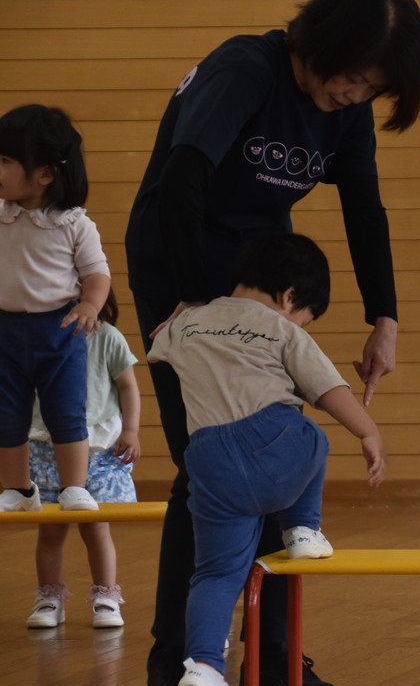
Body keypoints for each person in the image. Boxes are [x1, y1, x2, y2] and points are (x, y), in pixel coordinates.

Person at [123, 0, 420, 686]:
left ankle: (276, 656)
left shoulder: (344, 112)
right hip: (181, 273)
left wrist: (384, 314)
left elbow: (363, 207)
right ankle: (179, 660)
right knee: (214, 465)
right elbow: (180, 182)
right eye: (353, 76)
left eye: (370, 88)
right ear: (323, 37)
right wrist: (200, 309)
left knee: (275, 467)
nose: (354, 94)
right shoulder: (246, 68)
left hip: (259, 286)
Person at [148, 233, 387, 686]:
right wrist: (368, 431)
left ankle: (201, 668)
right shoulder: (282, 329)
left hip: (207, 459)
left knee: (215, 572)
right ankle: (301, 528)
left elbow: (156, 347)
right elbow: (326, 390)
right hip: (270, 442)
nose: (304, 325)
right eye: (307, 317)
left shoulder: (188, 323)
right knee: (312, 436)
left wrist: (179, 323)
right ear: (290, 296)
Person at [0, 104, 110, 516]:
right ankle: (18, 488)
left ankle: (73, 487)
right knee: (6, 416)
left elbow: (97, 274)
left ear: (45, 174)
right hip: (6, 329)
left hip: (60, 330)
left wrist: (90, 304)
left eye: (6, 161)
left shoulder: (73, 224)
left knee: (65, 413)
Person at [26, 289, 141, 629]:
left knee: (96, 528)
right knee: (50, 530)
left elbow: (128, 386)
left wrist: (131, 430)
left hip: (99, 449)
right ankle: (49, 598)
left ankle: (106, 596)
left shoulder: (108, 337)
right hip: (47, 446)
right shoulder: (38, 338)